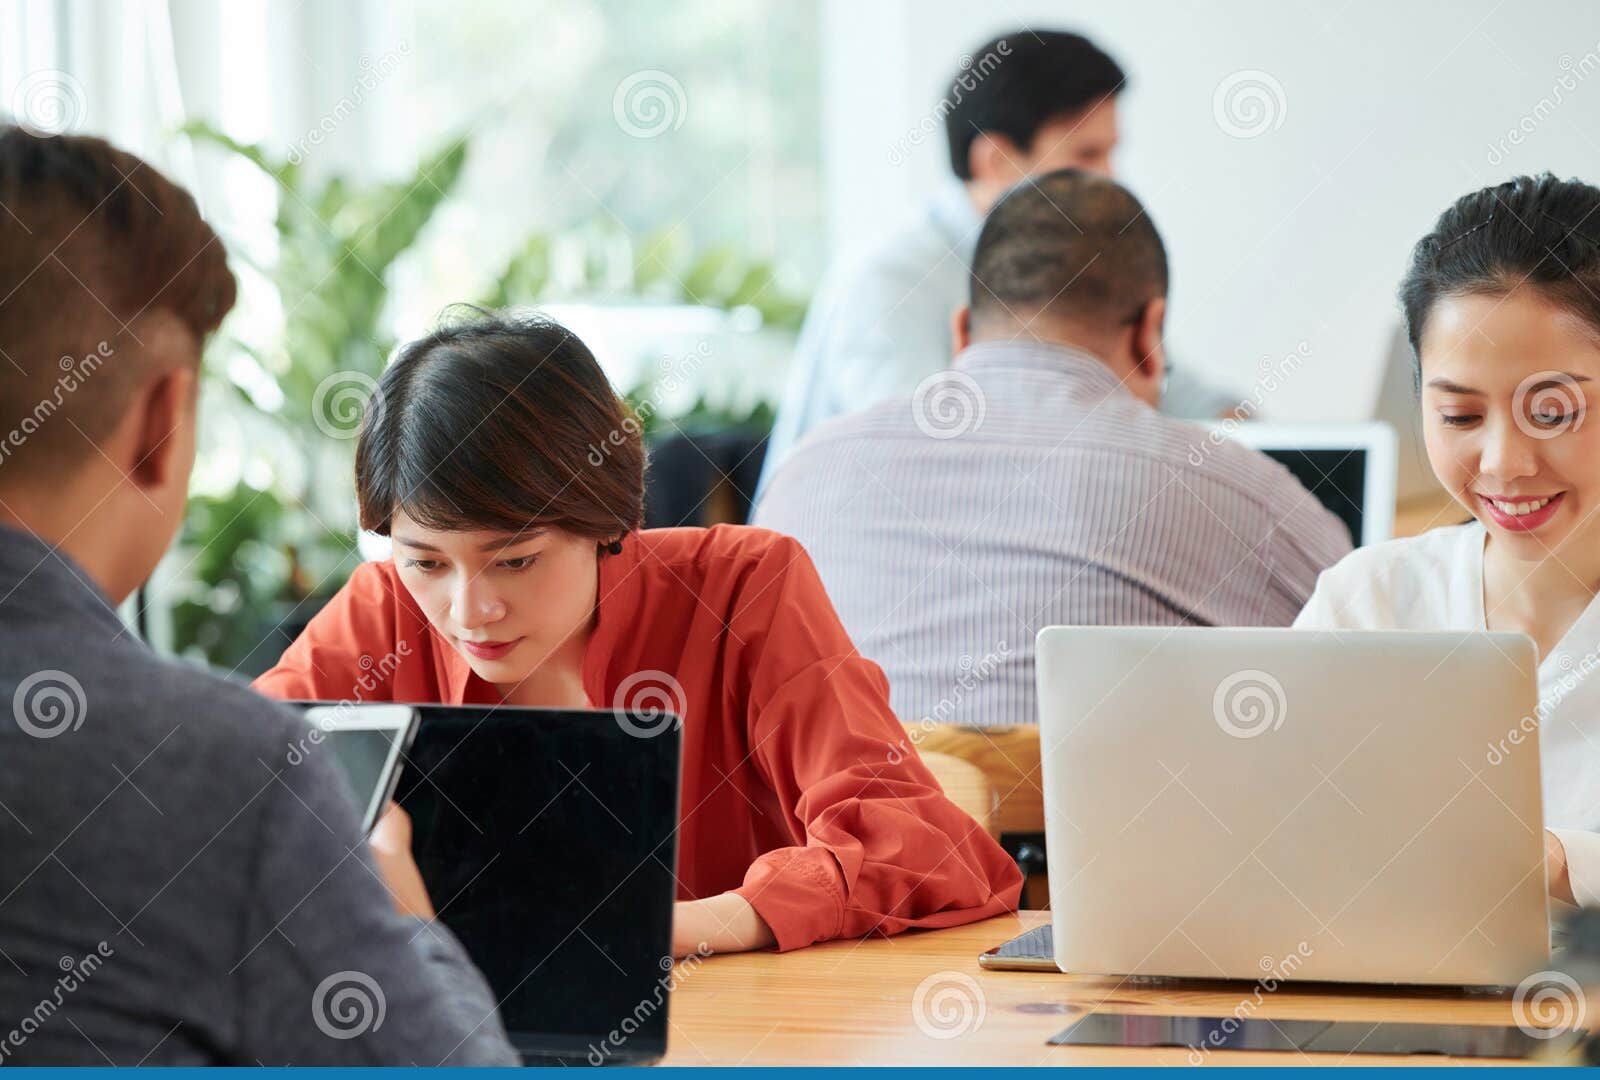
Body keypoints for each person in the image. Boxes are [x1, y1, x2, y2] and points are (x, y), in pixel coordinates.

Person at [252, 311, 1023, 956]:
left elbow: (924, 849)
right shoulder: (383, 609)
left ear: (607, 515)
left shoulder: (745, 588)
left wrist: (657, 930)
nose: (468, 608)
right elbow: (224, 789)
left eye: (515, 559)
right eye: (426, 562)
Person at [0, 127, 516, 1065]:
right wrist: (399, 918)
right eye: (426, 558)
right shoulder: (220, 776)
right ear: (165, 417)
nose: (472, 605)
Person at [755, 170, 1352, 724]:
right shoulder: (1238, 489)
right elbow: (1363, 657)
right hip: (1112, 838)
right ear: (1150, 332)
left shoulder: (805, 472)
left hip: (833, 833)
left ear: (961, 329)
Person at [1295, 174, 1600, 909]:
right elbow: (1268, 825)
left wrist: (1563, 865)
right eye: (1460, 416)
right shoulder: (1368, 601)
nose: (1504, 463)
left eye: (1554, 411)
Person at [758, 29, 1242, 492]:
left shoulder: (1072, 269)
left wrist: (1255, 441)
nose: (1111, 179)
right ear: (995, 162)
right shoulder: (890, 280)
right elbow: (918, 462)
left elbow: (1177, 394)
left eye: (1111, 155)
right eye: (1087, 154)